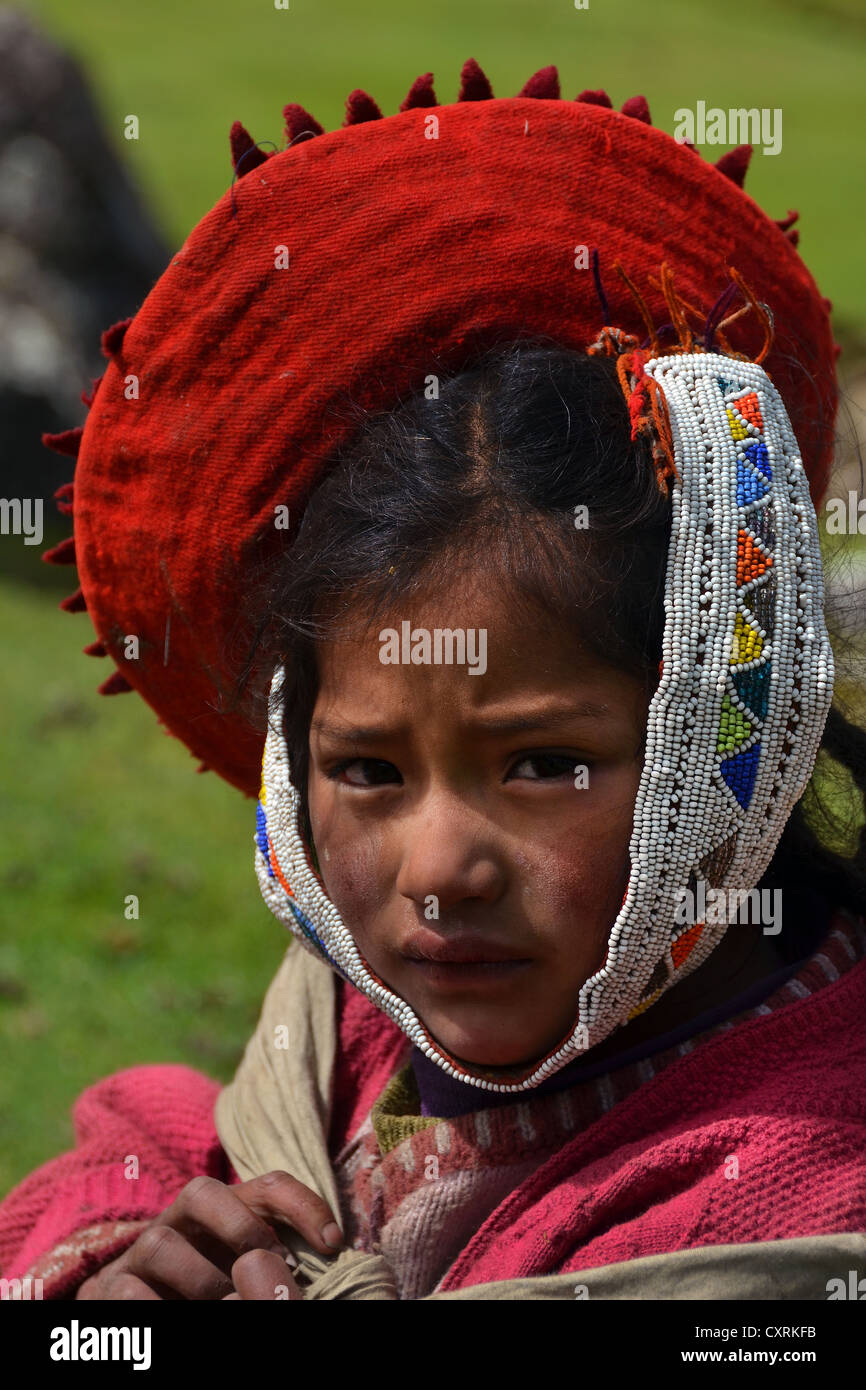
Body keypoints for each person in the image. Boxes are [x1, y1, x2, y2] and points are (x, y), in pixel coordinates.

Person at [1, 60, 864, 1301]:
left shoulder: (796, 1211)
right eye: (366, 769)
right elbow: (141, 1150)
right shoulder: (347, 1031)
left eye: (539, 764)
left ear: (719, 743)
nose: (438, 868)